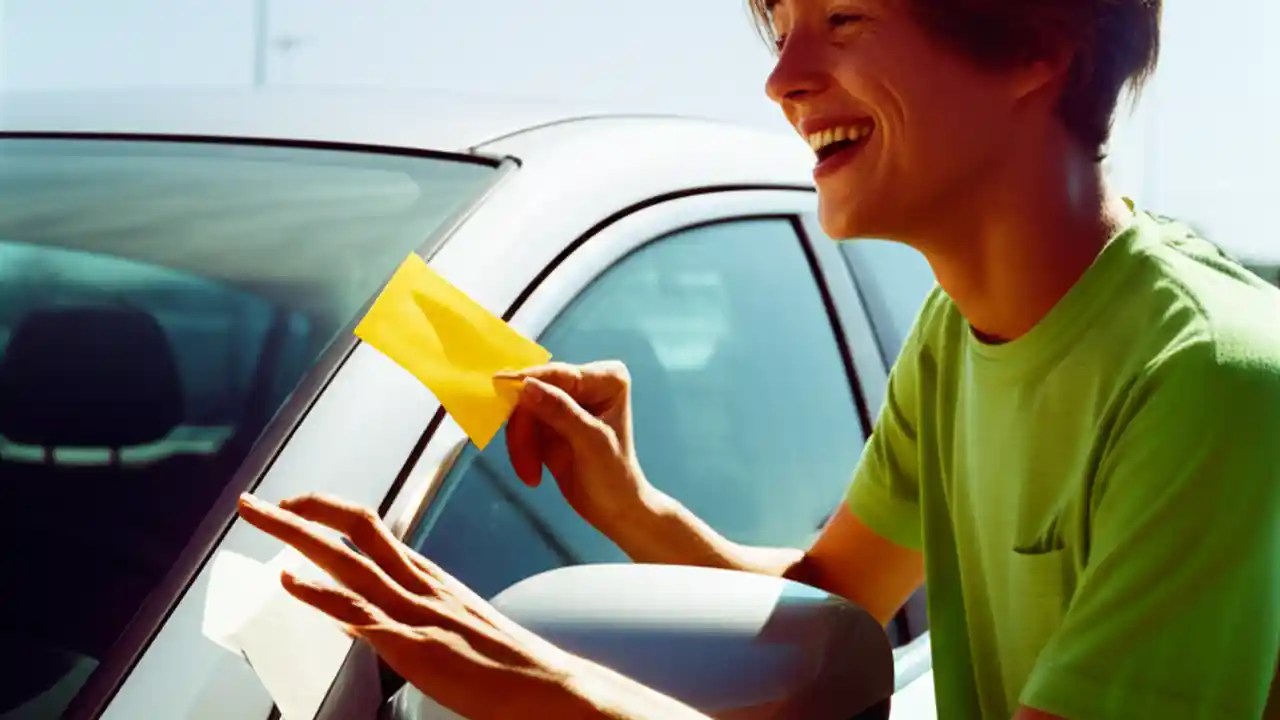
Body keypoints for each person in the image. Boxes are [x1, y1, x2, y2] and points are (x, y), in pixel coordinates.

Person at [238, 0, 1280, 717]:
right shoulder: (953, 335)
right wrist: (629, 505)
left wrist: (549, 689)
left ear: (1031, 43)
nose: (781, 79)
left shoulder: (1205, 380)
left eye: (840, 20)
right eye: (780, 25)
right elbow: (821, 605)